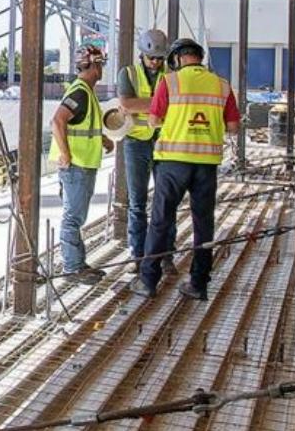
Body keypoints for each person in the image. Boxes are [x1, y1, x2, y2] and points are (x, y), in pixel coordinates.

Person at [134, 38, 240, 302]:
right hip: (206, 164)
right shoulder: (222, 85)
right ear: (199, 57)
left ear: (177, 59)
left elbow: (155, 119)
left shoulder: (169, 82)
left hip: (172, 163)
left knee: (160, 220)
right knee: (203, 224)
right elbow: (233, 127)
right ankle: (198, 283)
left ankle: (148, 281)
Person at [50, 44, 110, 285]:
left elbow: (80, 125)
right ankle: (72, 266)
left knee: (76, 216)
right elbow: (58, 121)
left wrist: (102, 139)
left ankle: (77, 263)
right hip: (77, 166)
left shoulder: (85, 91)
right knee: (73, 217)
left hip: (82, 164)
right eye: (101, 64)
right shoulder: (80, 92)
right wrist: (65, 154)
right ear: (96, 66)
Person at [115, 29, 169, 271]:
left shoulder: (170, 75)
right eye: (152, 58)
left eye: (159, 58)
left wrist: (141, 106)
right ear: (142, 55)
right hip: (136, 142)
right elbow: (127, 104)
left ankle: (165, 254)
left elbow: (176, 104)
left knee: (165, 201)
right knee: (137, 203)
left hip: (163, 141)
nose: (156, 62)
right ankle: (137, 256)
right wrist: (161, 104)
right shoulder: (128, 74)